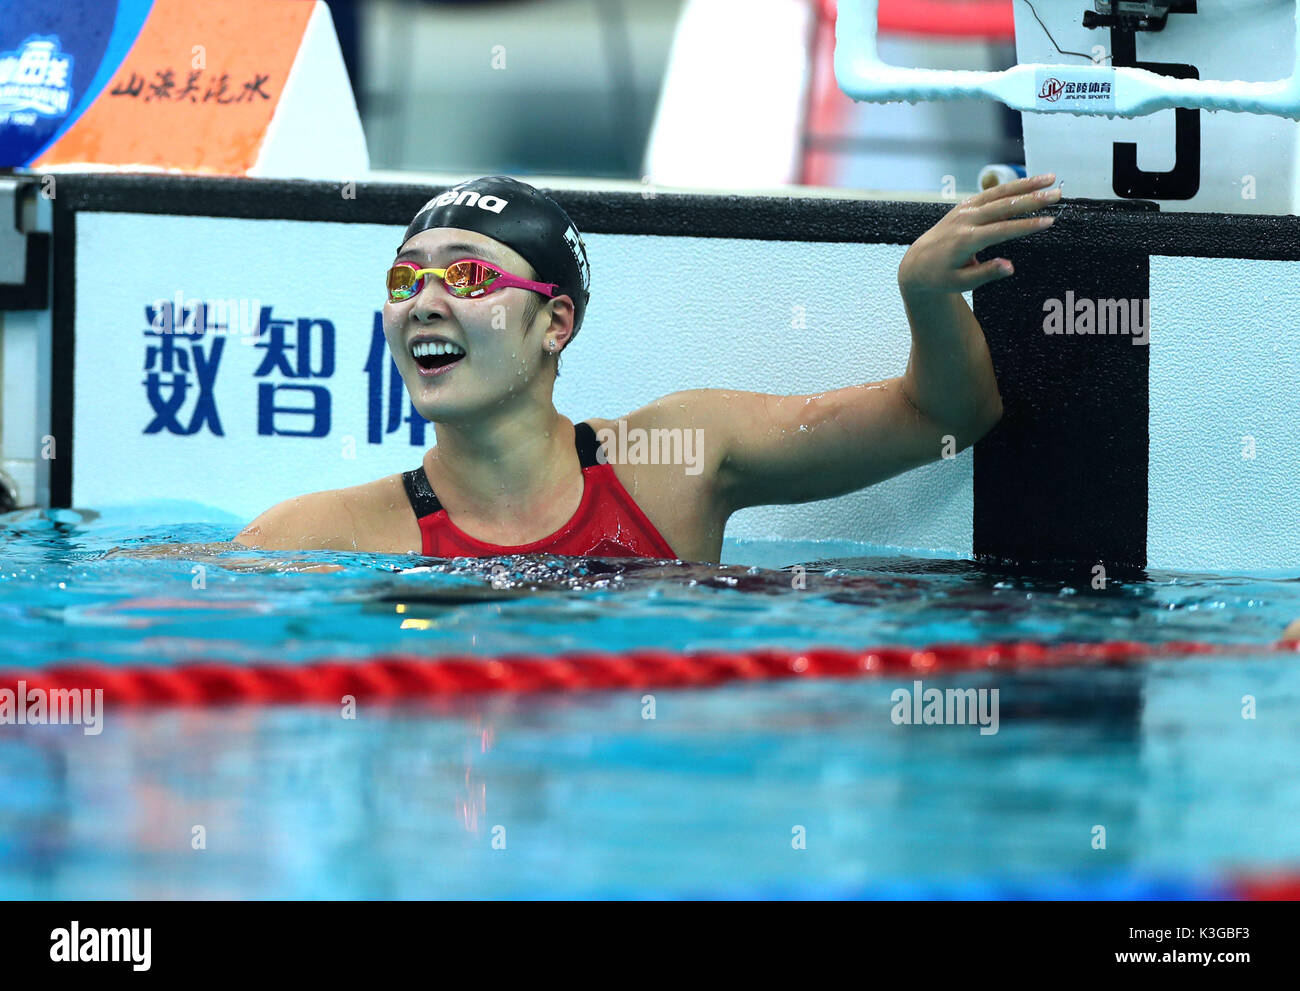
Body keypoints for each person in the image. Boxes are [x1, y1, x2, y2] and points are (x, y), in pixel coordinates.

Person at [234, 173, 1061, 563]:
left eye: (470, 276)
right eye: (407, 278)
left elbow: (944, 419)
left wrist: (925, 293)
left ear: (554, 322)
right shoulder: (321, 536)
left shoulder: (679, 460)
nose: (424, 301)